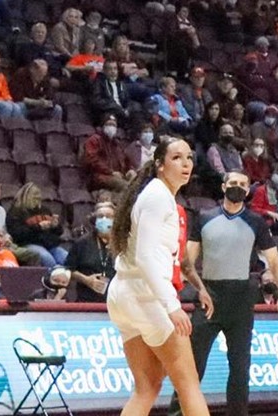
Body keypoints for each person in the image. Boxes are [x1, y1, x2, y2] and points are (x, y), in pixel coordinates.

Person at [104, 136, 214, 416]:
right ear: (160, 165)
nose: (186, 163)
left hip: (124, 295)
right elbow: (147, 257)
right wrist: (172, 305)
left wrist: (195, 287)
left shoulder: (156, 195)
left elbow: (165, 258)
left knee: (147, 387)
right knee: (188, 384)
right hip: (146, 295)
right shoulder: (158, 197)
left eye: (189, 157)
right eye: (176, 158)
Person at [179, 170, 278, 416]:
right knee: (191, 366)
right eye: (233, 183)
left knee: (240, 370)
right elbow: (187, 262)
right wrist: (197, 289)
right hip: (210, 295)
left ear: (248, 190)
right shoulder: (205, 217)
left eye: (243, 184)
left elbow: (274, 260)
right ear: (223, 186)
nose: (237, 187)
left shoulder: (256, 222)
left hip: (241, 298)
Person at [67, 202, 117, 303]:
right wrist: (86, 280)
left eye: (108, 216)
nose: (104, 219)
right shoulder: (82, 242)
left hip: (117, 301)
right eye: (100, 216)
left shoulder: (123, 243)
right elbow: (68, 269)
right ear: (94, 220)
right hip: (87, 300)